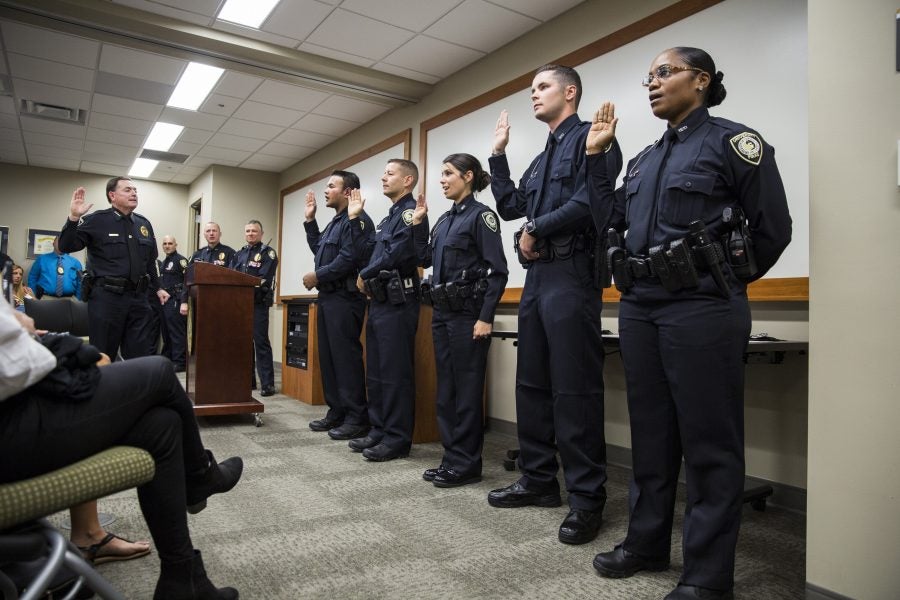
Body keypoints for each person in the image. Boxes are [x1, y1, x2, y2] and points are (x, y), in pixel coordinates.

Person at [587, 48, 792, 600]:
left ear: (700, 80)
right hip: (640, 307)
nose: (651, 84)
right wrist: (596, 159)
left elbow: (773, 228)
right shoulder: (644, 160)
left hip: (702, 307)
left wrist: (720, 282)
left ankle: (705, 576)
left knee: (709, 443)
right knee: (651, 434)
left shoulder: (733, 142)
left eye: (663, 73)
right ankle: (646, 543)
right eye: (647, 77)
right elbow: (613, 225)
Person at [0, 298, 244, 599]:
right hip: (10, 423)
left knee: (162, 424)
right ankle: (201, 476)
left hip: (14, 407)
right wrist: (22, 327)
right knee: (161, 371)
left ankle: (181, 579)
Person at [486, 64, 622, 546]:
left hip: (572, 275)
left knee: (575, 390)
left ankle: (587, 500)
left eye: (542, 87)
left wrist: (536, 228)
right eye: (531, 90)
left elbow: (592, 203)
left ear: (570, 92)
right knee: (533, 384)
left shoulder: (595, 138)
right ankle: (540, 481)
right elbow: (510, 206)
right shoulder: (542, 157)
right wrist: (498, 156)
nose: (534, 96)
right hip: (538, 279)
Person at [412, 153, 508, 487]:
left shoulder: (482, 218)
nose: (441, 179)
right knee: (447, 392)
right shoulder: (442, 221)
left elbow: (499, 272)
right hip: (442, 315)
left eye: (448, 173)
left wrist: (486, 317)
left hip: (469, 317)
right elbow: (423, 258)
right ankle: (451, 458)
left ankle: (467, 464)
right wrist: (419, 223)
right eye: (441, 173)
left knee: (466, 393)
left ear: (468, 176)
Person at [348, 159, 428, 462]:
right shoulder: (388, 217)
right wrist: (356, 220)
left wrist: (365, 273)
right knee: (378, 372)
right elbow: (368, 250)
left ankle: (397, 438)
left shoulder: (410, 213)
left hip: (399, 301)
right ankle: (379, 429)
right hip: (380, 301)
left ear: (407, 181)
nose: (383, 177)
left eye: (390, 173)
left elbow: (397, 253)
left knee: (395, 373)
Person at [58, 178, 169, 360]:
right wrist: (73, 218)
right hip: (107, 299)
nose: (133, 193)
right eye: (127, 190)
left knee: (139, 356)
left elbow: (150, 262)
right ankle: (102, 388)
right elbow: (65, 245)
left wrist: (159, 287)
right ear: (112, 195)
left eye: (135, 190)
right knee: (103, 355)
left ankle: (134, 389)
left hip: (138, 300)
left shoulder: (143, 224)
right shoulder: (97, 221)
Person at [302, 170, 375, 439]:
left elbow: (349, 258)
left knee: (345, 359)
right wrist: (310, 221)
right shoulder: (335, 222)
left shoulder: (358, 221)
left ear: (347, 192)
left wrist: (317, 276)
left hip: (346, 299)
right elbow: (320, 250)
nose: (325, 191)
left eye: (331, 186)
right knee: (330, 359)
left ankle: (357, 417)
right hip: (329, 298)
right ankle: (337, 412)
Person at [229, 220, 278, 397]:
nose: (250, 233)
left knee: (260, 342)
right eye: (248, 231)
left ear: (261, 234)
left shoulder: (268, 253)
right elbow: (230, 276)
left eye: (254, 231)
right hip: (240, 305)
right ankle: (247, 380)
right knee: (243, 343)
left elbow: (263, 280)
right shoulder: (239, 254)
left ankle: (267, 384)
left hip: (258, 304)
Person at [158, 236, 188, 371]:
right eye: (165, 244)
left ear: (176, 245)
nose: (167, 246)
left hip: (176, 300)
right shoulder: (164, 262)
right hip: (165, 301)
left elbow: (187, 282)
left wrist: (183, 301)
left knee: (176, 333)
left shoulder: (180, 260)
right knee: (167, 332)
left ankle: (180, 362)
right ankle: (168, 358)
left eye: (170, 243)